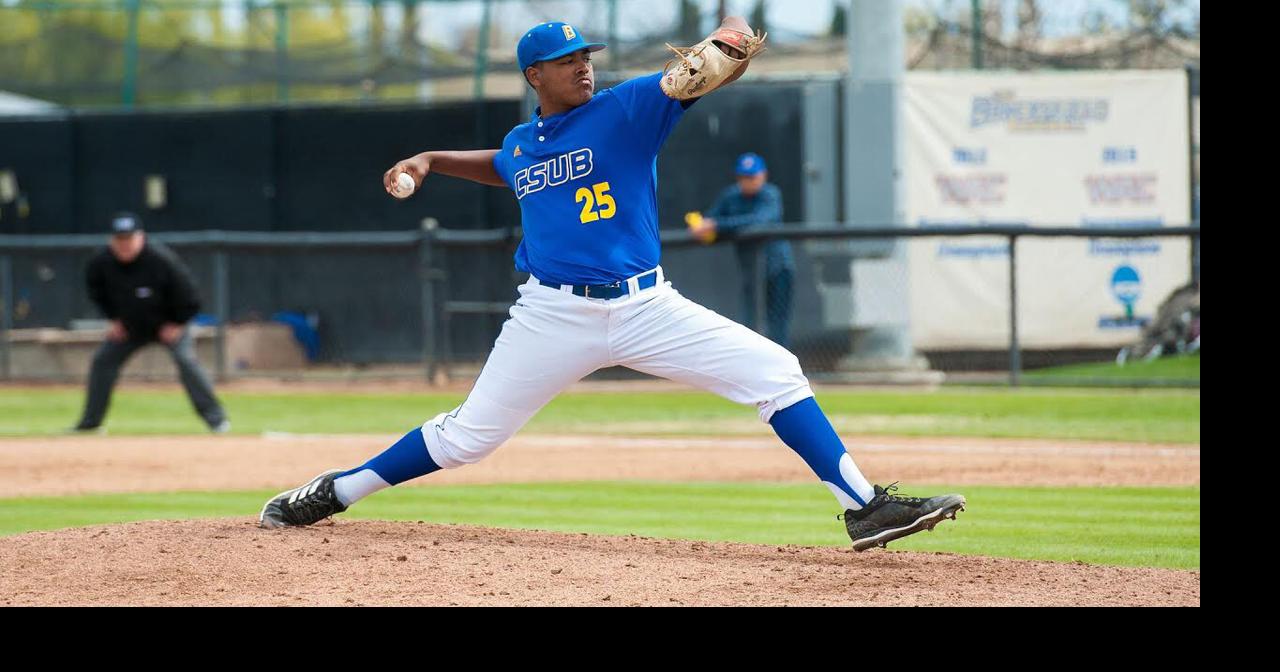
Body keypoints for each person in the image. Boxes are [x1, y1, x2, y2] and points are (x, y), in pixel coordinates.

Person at [260, 18, 965, 551]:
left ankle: (863, 506)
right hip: (551, 318)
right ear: (534, 75)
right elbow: (501, 163)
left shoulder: (626, 110)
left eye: (586, 57)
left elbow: (691, 79)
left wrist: (729, 46)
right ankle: (335, 492)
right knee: (468, 437)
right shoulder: (522, 144)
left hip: (647, 305)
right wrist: (426, 159)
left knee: (777, 371)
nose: (582, 68)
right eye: (566, 62)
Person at [71, 213, 229, 434]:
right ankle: (90, 424)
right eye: (120, 239)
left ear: (141, 238)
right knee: (102, 361)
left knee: (186, 361)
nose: (124, 244)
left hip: (168, 325)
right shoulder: (101, 262)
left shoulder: (161, 260)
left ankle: (217, 420)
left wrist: (177, 324)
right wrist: (113, 319)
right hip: (130, 328)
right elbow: (96, 293)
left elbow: (191, 298)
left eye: (129, 238)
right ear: (112, 240)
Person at [693, 152, 794, 347]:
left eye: (752, 177)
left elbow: (759, 222)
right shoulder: (731, 196)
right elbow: (710, 220)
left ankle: (779, 368)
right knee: (750, 321)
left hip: (778, 267)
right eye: (744, 177)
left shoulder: (770, 194)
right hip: (751, 269)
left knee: (777, 322)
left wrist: (718, 225)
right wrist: (704, 226)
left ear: (763, 175)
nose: (748, 182)